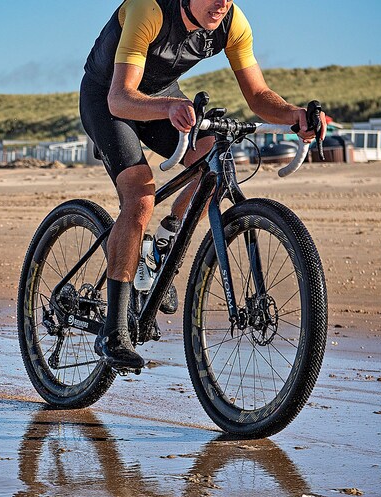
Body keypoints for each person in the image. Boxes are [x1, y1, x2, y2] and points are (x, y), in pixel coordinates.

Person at [80, 0, 322, 370]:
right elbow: (120, 97)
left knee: (213, 159)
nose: (222, 2)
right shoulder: (151, 9)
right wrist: (168, 108)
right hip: (109, 97)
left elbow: (258, 96)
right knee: (141, 197)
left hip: (161, 95)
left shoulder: (232, 22)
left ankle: (163, 240)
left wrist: (295, 115)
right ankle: (112, 332)